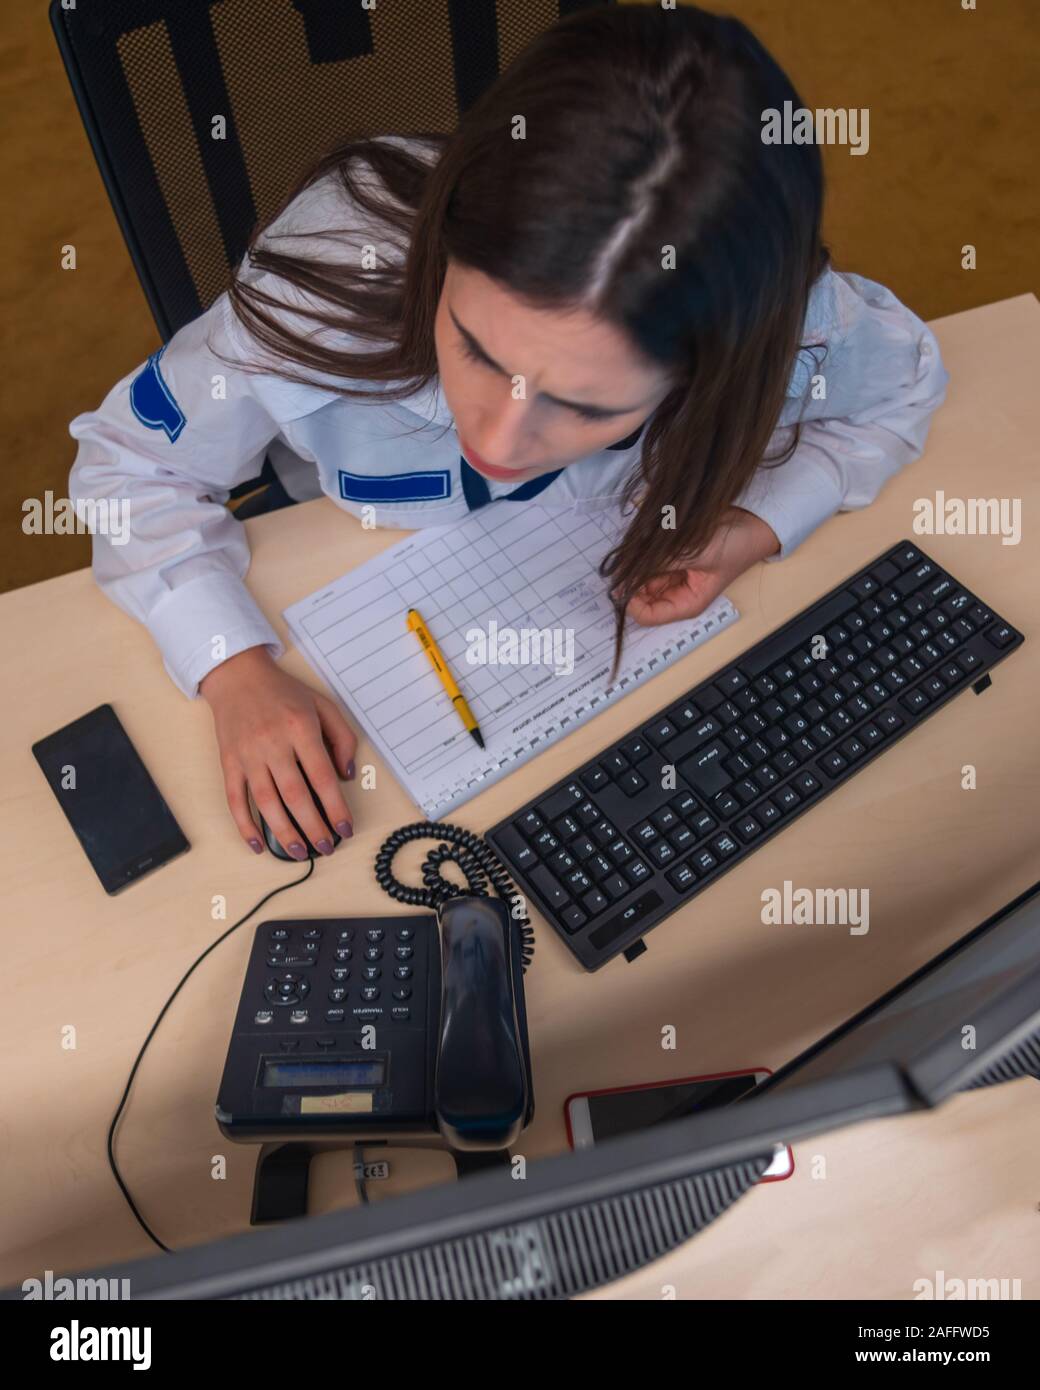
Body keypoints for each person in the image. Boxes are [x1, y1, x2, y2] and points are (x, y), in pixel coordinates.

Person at [68, 4, 947, 860]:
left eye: (588, 406)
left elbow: (905, 379)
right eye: (477, 348)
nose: (498, 433)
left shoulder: (776, 328)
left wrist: (754, 527)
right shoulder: (329, 279)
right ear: (445, 240)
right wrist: (233, 668)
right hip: (337, 552)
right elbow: (128, 466)